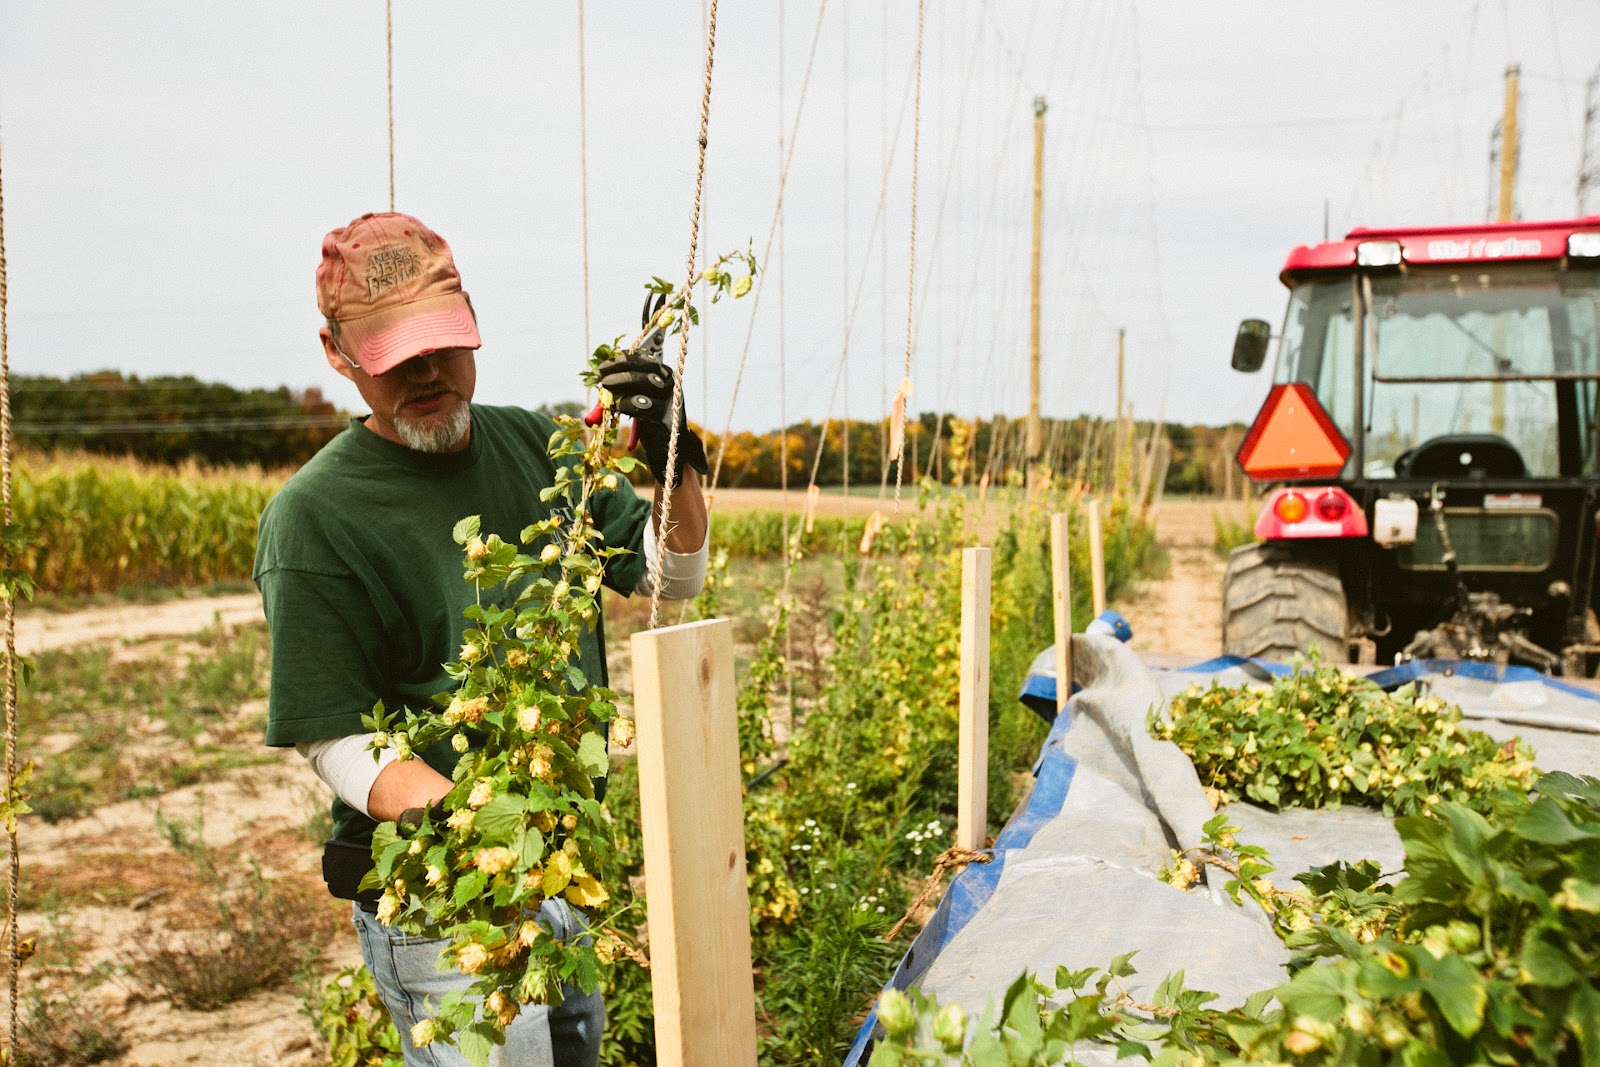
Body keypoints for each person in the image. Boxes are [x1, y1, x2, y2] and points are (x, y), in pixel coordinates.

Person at [255, 212, 709, 1067]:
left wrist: (676, 457)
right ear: (337, 353)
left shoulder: (535, 443)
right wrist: (497, 835)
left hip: (562, 869)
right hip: (442, 904)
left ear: (471, 324)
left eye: (441, 344)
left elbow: (668, 576)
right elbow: (336, 736)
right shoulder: (312, 519)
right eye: (396, 355)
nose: (427, 372)